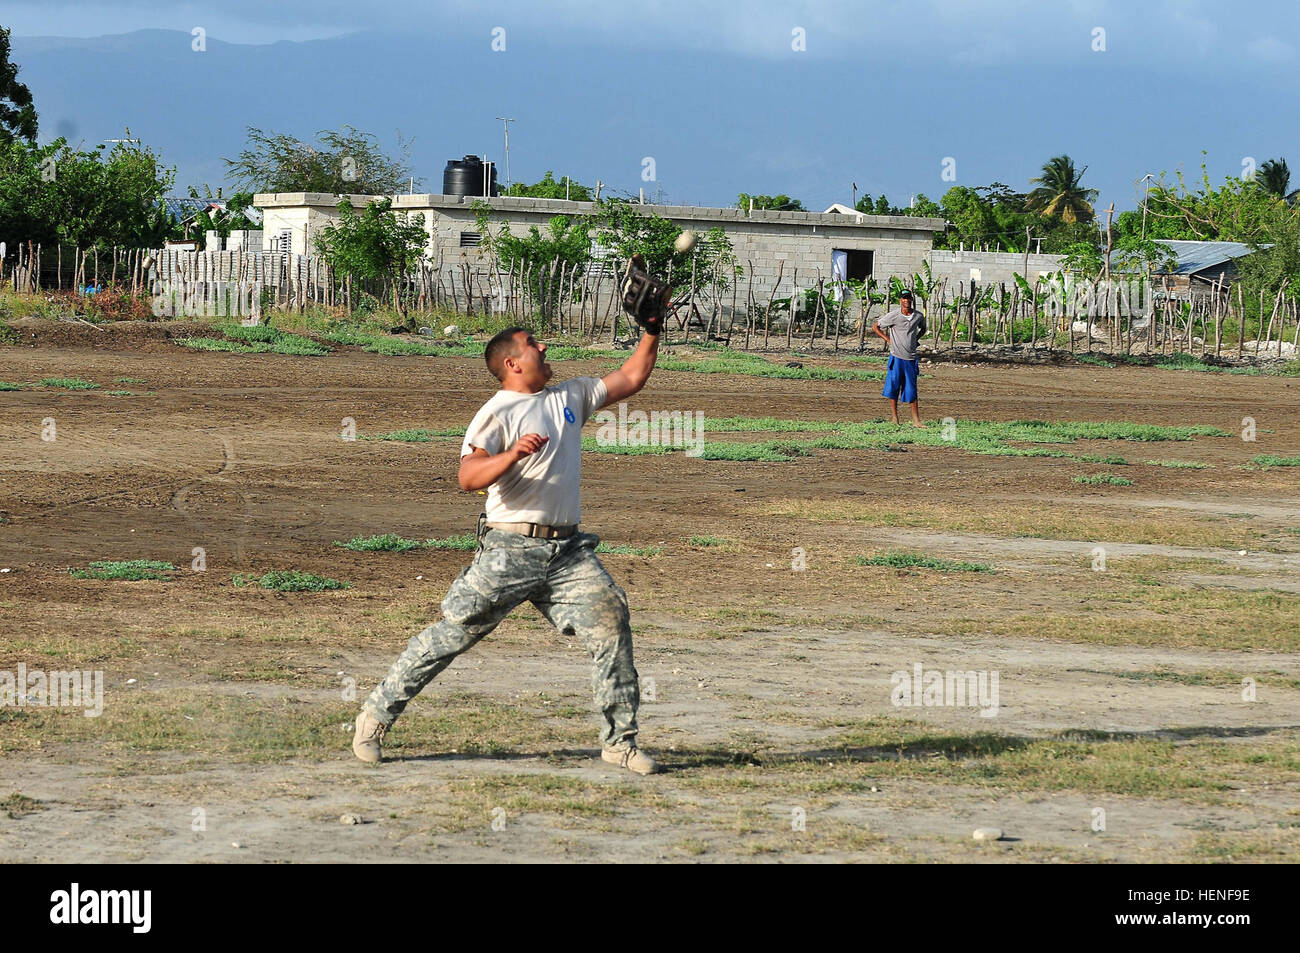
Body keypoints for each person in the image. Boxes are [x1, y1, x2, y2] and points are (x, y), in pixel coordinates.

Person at [353, 324, 663, 775]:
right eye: (533, 345)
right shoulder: (496, 413)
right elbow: (468, 477)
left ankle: (619, 743)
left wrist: (651, 331)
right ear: (512, 364)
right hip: (509, 549)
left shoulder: (570, 396)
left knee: (610, 618)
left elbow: (631, 377)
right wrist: (512, 455)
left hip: (567, 550)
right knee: (454, 633)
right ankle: (374, 718)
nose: (544, 346)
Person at [874, 290, 927, 427]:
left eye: (908, 298)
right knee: (894, 388)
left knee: (912, 390)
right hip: (896, 357)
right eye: (904, 298)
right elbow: (876, 326)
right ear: (900, 300)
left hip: (911, 358)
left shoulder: (918, 316)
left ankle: (916, 421)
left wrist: (916, 339)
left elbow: (923, 329)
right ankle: (895, 418)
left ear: (912, 300)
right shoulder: (894, 316)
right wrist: (887, 339)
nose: (906, 301)